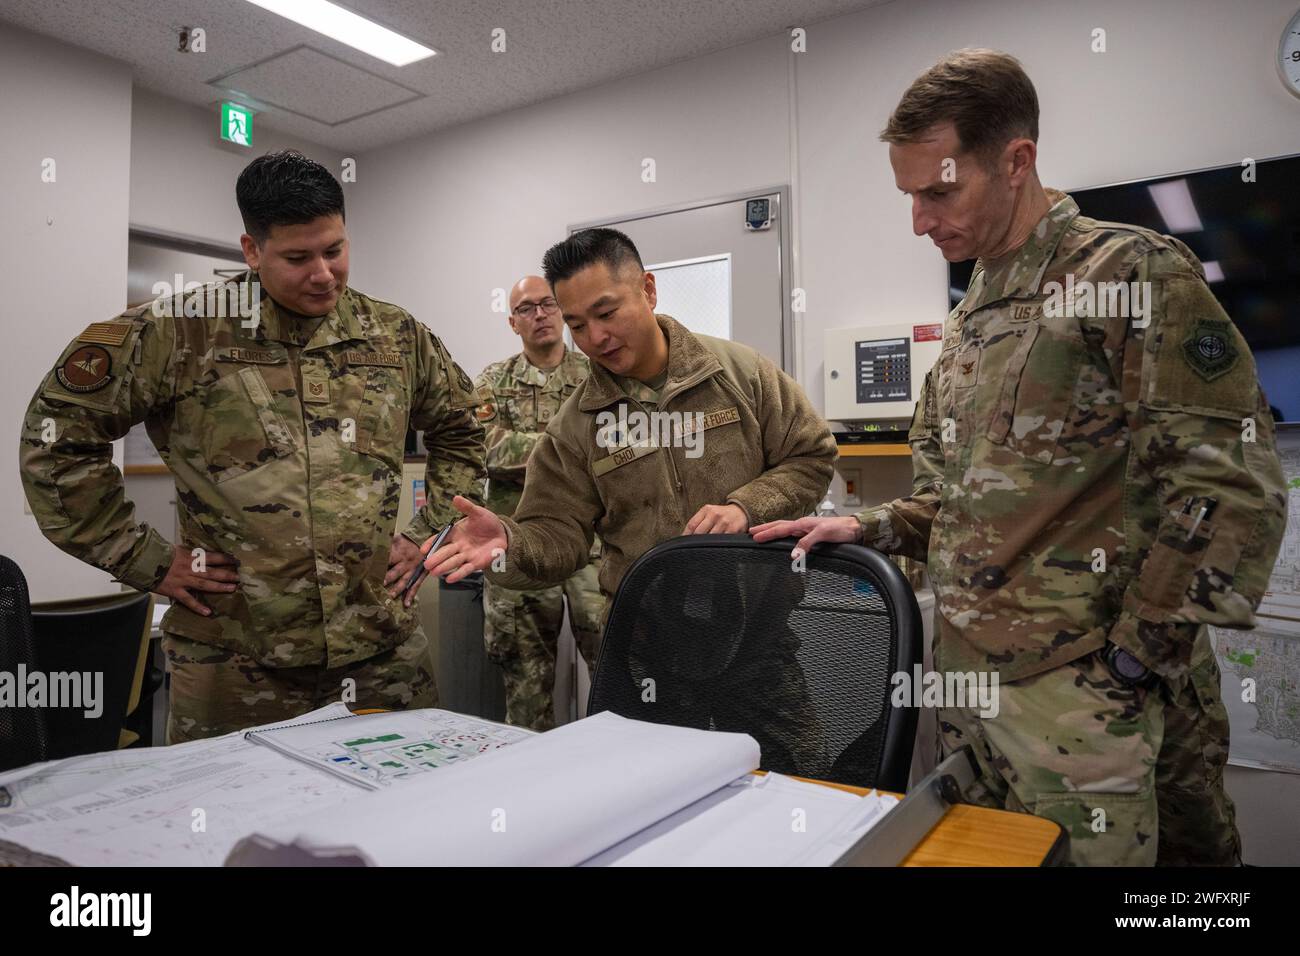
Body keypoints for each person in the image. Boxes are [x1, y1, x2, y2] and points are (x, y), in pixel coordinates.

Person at [752, 49, 1286, 865]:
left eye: (939, 190)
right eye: (909, 197)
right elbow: (959, 502)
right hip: (976, 700)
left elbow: (1231, 488)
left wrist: (1136, 660)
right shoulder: (971, 318)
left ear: (1016, 161)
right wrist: (865, 529)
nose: (921, 221)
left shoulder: (1129, 274)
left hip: (1088, 703)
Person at [19, 150, 486, 742]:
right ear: (251, 250)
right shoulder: (178, 332)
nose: (324, 274)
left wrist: (429, 534)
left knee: (406, 812)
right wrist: (147, 560)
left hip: (379, 651)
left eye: (334, 250)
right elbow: (55, 439)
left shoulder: (395, 335)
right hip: (234, 659)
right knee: (228, 825)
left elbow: (466, 431)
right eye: (298, 257)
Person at [423, 228, 838, 773]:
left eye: (606, 312)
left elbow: (810, 455)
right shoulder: (575, 425)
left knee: (798, 784)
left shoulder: (740, 374)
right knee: (654, 791)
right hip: (649, 647)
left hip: (758, 637)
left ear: (647, 289)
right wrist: (511, 542)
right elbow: (558, 534)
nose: (594, 337)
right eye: (577, 325)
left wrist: (745, 506)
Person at [474, 275, 603, 729]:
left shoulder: (597, 375)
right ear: (513, 322)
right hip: (520, 544)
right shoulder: (493, 379)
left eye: (547, 304)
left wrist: (531, 451)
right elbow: (483, 448)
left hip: (594, 546)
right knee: (526, 682)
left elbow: (620, 444)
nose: (540, 314)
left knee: (614, 665)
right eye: (526, 308)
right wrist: (567, 451)